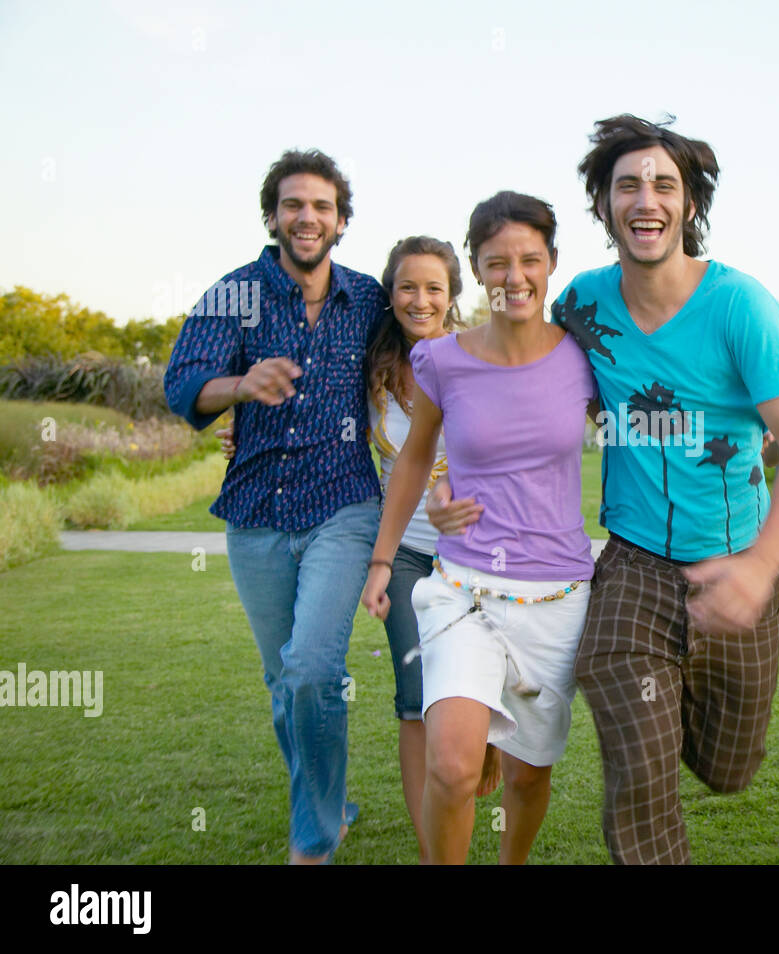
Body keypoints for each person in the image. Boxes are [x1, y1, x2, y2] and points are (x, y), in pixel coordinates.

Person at [551, 114, 779, 864]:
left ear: (690, 206)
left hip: (739, 562)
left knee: (727, 769)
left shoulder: (741, 305)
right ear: (604, 206)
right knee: (641, 771)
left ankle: (694, 720)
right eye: (627, 185)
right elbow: (538, 390)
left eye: (664, 185)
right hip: (633, 568)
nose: (647, 200)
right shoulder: (579, 303)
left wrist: (760, 569)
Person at [217, 235, 503, 863]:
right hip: (399, 551)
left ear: (454, 294)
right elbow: (309, 409)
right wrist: (249, 428)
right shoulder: (368, 364)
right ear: (388, 294)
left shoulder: (478, 358)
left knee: (476, 698)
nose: (419, 299)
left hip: (476, 554)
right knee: (413, 700)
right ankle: (436, 854)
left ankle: (486, 746)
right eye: (406, 286)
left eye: (434, 287)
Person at [164, 148, 388, 863]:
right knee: (283, 678)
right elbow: (182, 384)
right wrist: (239, 386)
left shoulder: (370, 300)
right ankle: (330, 798)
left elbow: (430, 352)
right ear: (272, 216)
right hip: (256, 512)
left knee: (311, 668)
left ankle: (314, 840)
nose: (307, 217)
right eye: (294, 204)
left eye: (322, 206)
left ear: (342, 221)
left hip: (345, 507)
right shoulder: (234, 294)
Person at [361, 192, 597, 865]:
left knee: (526, 775)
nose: (514, 277)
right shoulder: (445, 360)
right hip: (462, 589)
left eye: (529, 260)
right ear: (478, 268)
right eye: (497, 263)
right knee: (454, 767)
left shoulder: (584, 360)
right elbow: (412, 461)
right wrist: (383, 561)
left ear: (552, 263)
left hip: (556, 597)